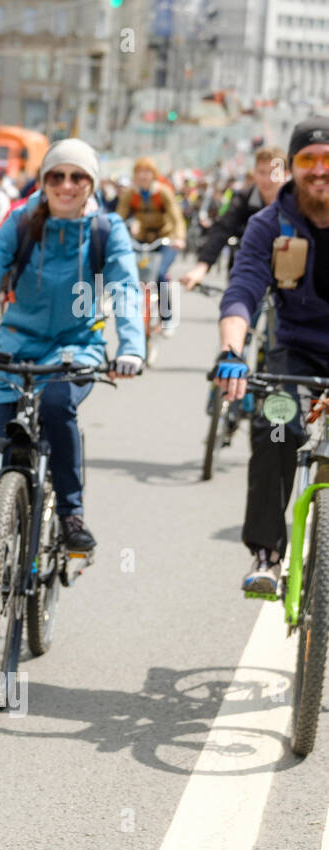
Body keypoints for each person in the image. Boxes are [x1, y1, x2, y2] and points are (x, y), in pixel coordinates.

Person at [0, 139, 145, 620]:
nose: (66, 185)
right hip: (13, 348)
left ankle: (70, 515)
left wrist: (130, 348)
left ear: (91, 184)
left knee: (56, 405)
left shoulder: (108, 229)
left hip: (76, 348)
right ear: (43, 182)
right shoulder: (23, 222)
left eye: (77, 177)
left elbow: (126, 289)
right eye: (56, 176)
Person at [210, 116, 329, 595]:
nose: (319, 171)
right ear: (293, 167)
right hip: (295, 350)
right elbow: (242, 293)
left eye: (328, 161)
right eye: (308, 160)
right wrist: (230, 351)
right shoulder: (268, 223)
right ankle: (268, 555)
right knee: (274, 425)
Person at [182, 146, 287, 290]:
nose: (267, 179)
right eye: (262, 172)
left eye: (274, 173)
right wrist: (202, 266)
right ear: (254, 173)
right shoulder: (244, 198)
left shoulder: (295, 200)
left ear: (286, 174)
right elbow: (222, 228)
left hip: (287, 269)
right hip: (249, 267)